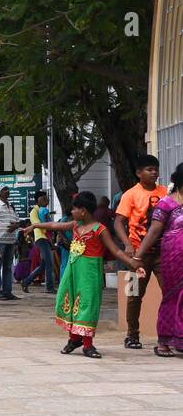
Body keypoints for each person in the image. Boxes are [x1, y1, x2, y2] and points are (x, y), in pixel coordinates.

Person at [21, 191, 143, 359]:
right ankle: (74, 338)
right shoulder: (76, 225)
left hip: (90, 273)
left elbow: (115, 250)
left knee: (87, 305)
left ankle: (87, 344)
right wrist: (35, 226)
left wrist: (132, 263)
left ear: (83, 211)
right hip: (73, 270)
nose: (72, 212)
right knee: (69, 301)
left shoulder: (100, 230)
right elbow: (55, 226)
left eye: (74, 209)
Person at [114, 154, 169, 350]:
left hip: (164, 253)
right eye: (149, 169)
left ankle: (169, 333)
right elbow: (118, 221)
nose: (154, 172)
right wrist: (127, 244)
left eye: (156, 169)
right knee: (134, 294)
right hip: (137, 254)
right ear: (139, 173)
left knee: (171, 293)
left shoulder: (166, 192)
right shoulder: (130, 194)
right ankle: (132, 335)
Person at [133, 163, 183, 357]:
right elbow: (154, 231)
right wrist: (137, 256)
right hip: (172, 257)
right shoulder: (167, 203)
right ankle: (162, 341)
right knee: (171, 296)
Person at [0, 186, 22, 299]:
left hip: (11, 241)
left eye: (8, 189)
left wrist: (16, 226)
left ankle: (7, 292)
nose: (7, 191)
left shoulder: (11, 206)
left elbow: (18, 222)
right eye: (4, 190)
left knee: (8, 267)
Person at [22, 191, 55, 294]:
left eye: (46, 198)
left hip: (46, 239)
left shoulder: (43, 210)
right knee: (49, 263)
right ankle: (50, 288)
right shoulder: (34, 211)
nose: (46, 201)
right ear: (38, 200)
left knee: (44, 265)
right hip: (41, 238)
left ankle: (26, 282)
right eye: (43, 199)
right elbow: (37, 224)